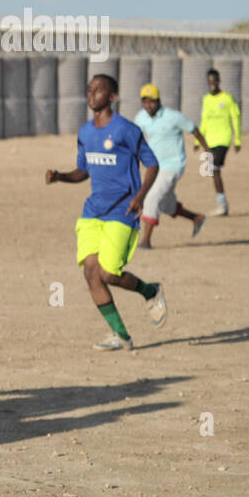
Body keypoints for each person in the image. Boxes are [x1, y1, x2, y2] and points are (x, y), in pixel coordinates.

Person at [45, 74, 166, 350]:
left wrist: (140, 197)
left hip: (123, 210)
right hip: (93, 212)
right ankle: (120, 334)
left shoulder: (126, 130)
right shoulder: (85, 132)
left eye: (98, 90)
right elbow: (83, 171)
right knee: (90, 272)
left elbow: (153, 164)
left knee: (110, 272)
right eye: (89, 89)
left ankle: (151, 291)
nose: (91, 94)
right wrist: (61, 176)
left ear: (112, 97)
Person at [132, 82, 208, 249]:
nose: (148, 105)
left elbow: (194, 130)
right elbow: (134, 137)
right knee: (166, 204)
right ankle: (196, 218)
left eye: (151, 101)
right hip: (154, 166)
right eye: (145, 101)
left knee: (151, 197)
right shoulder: (141, 117)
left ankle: (146, 241)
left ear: (159, 101)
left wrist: (207, 151)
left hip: (173, 165)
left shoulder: (173, 116)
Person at [197, 68, 242, 216]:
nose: (212, 84)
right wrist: (198, 141)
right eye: (210, 81)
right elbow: (204, 121)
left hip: (224, 138)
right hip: (210, 140)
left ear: (219, 81)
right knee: (213, 170)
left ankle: (222, 204)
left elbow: (236, 117)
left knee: (214, 167)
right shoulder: (206, 99)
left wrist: (238, 139)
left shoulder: (228, 98)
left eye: (214, 80)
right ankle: (222, 202)